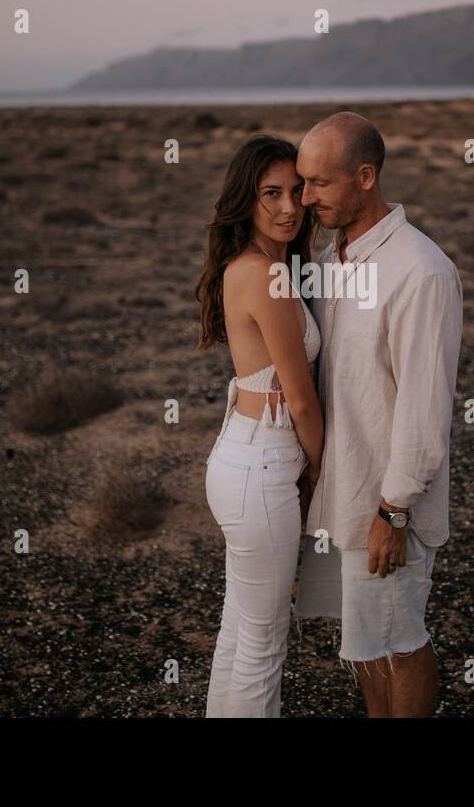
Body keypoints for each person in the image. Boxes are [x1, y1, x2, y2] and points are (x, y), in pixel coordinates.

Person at [293, 111, 463, 718]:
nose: (305, 197)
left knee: (400, 642)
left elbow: (424, 407)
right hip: (338, 494)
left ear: (365, 177)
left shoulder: (418, 272)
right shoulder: (327, 263)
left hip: (386, 505)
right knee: (362, 644)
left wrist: (392, 511)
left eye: (320, 184)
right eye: (302, 182)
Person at [194, 134, 323, 717]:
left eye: (297, 191)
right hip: (262, 470)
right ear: (245, 198)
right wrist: (322, 468)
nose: (289, 207)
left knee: (239, 634)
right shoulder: (265, 275)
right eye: (272, 193)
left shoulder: (257, 266)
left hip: (243, 460)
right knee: (263, 647)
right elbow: (299, 400)